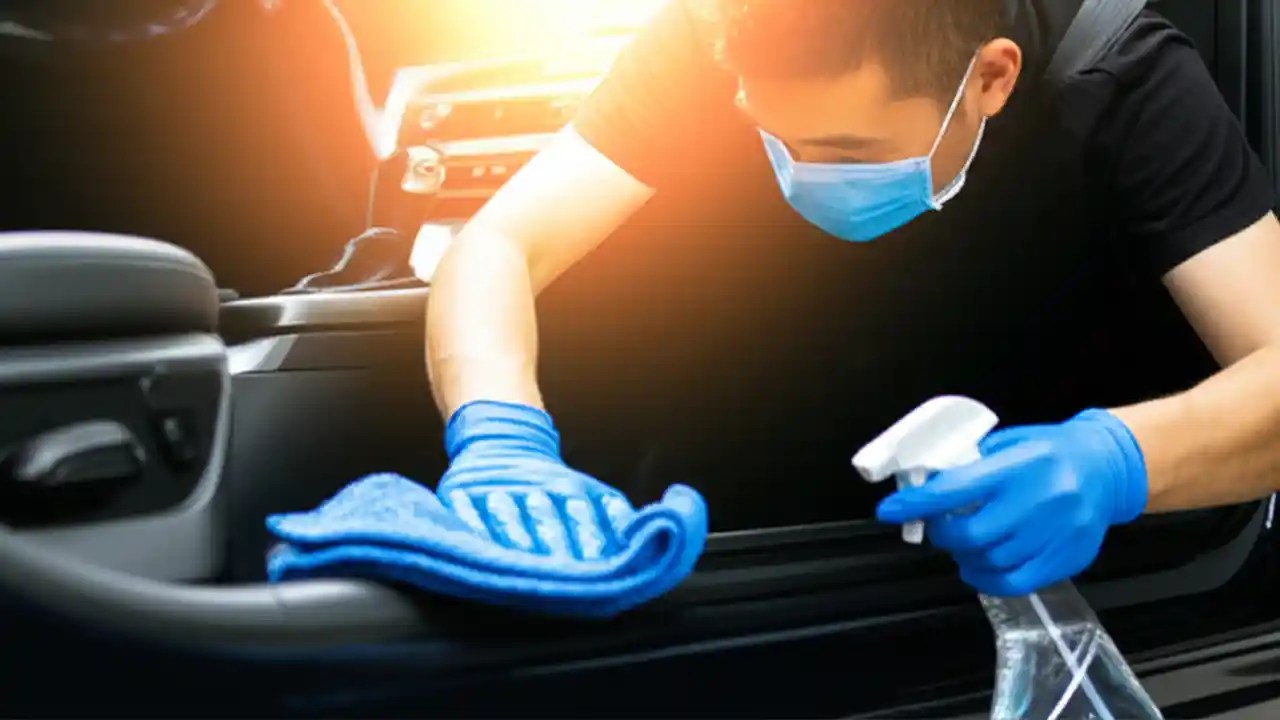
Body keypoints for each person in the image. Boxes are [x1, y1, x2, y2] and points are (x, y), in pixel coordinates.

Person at [422, 0, 1280, 597]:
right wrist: (499, 431)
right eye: (771, 134)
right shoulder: (718, 36)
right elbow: (497, 245)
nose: (801, 168)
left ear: (990, 80)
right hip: (759, 544)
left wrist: (1118, 460)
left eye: (843, 144)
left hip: (1040, 568)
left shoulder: (1122, 75)